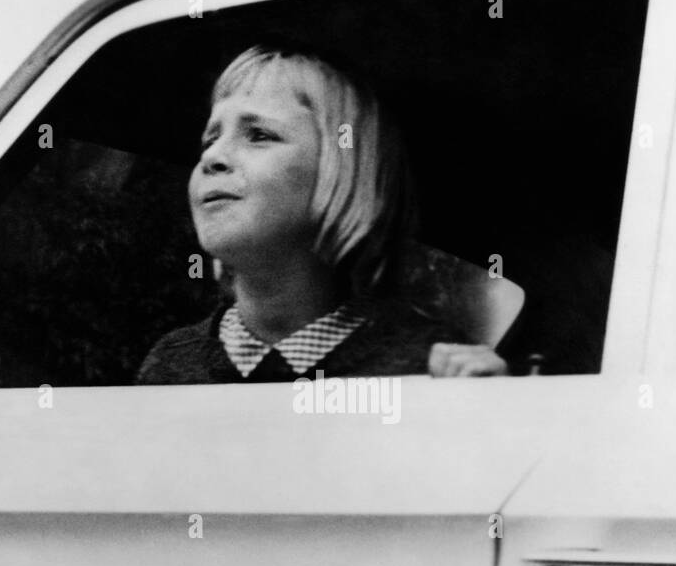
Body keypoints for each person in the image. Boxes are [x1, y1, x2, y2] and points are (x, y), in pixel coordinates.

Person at [135, 43, 507, 385]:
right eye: (210, 138)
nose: (211, 156)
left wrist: (487, 414)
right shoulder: (169, 364)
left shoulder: (428, 367)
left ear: (342, 172)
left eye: (259, 135)